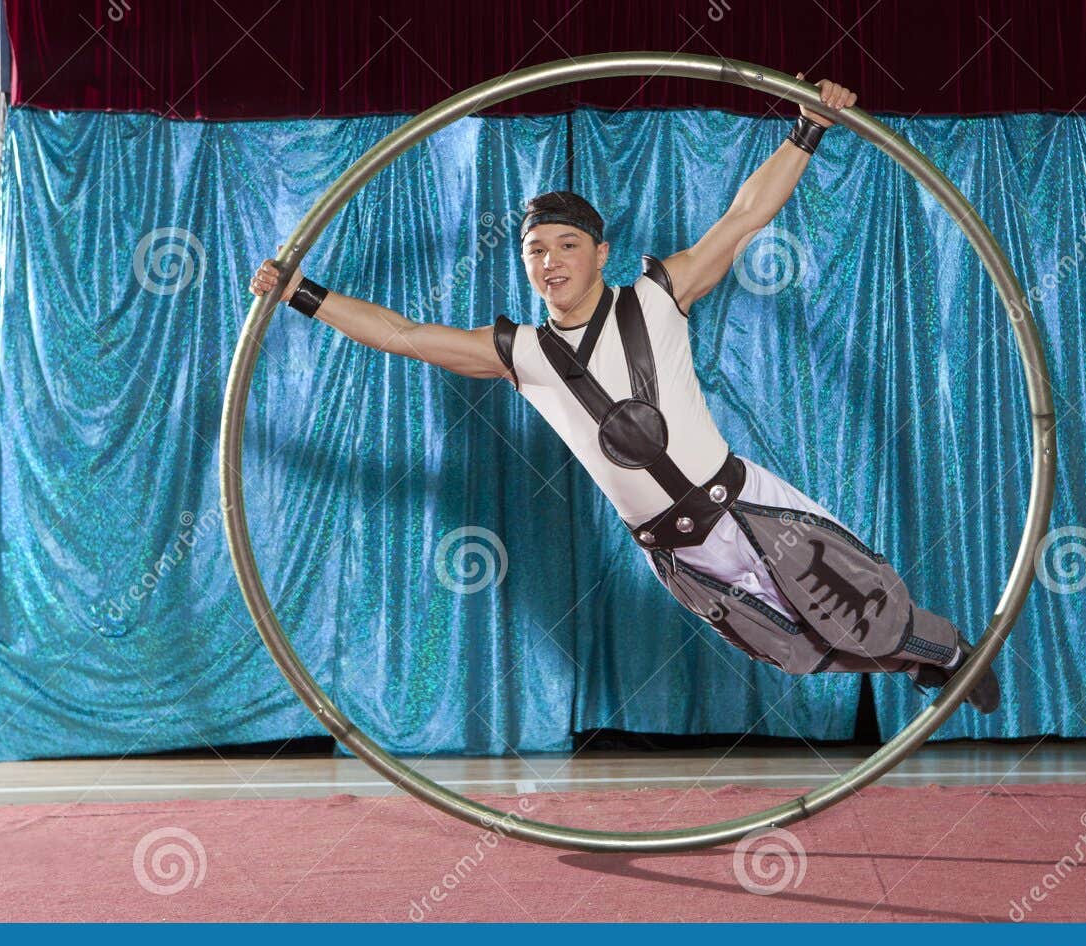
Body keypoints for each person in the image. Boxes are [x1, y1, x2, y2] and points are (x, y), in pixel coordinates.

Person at [249, 76, 999, 713]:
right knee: (796, 651)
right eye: (535, 250)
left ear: (600, 253)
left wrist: (807, 130)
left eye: (566, 245)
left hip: (746, 506)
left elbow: (742, 217)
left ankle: (945, 646)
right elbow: (403, 334)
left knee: (861, 607)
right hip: (677, 555)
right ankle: (923, 666)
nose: (550, 261)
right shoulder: (525, 354)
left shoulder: (658, 295)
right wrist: (301, 293)